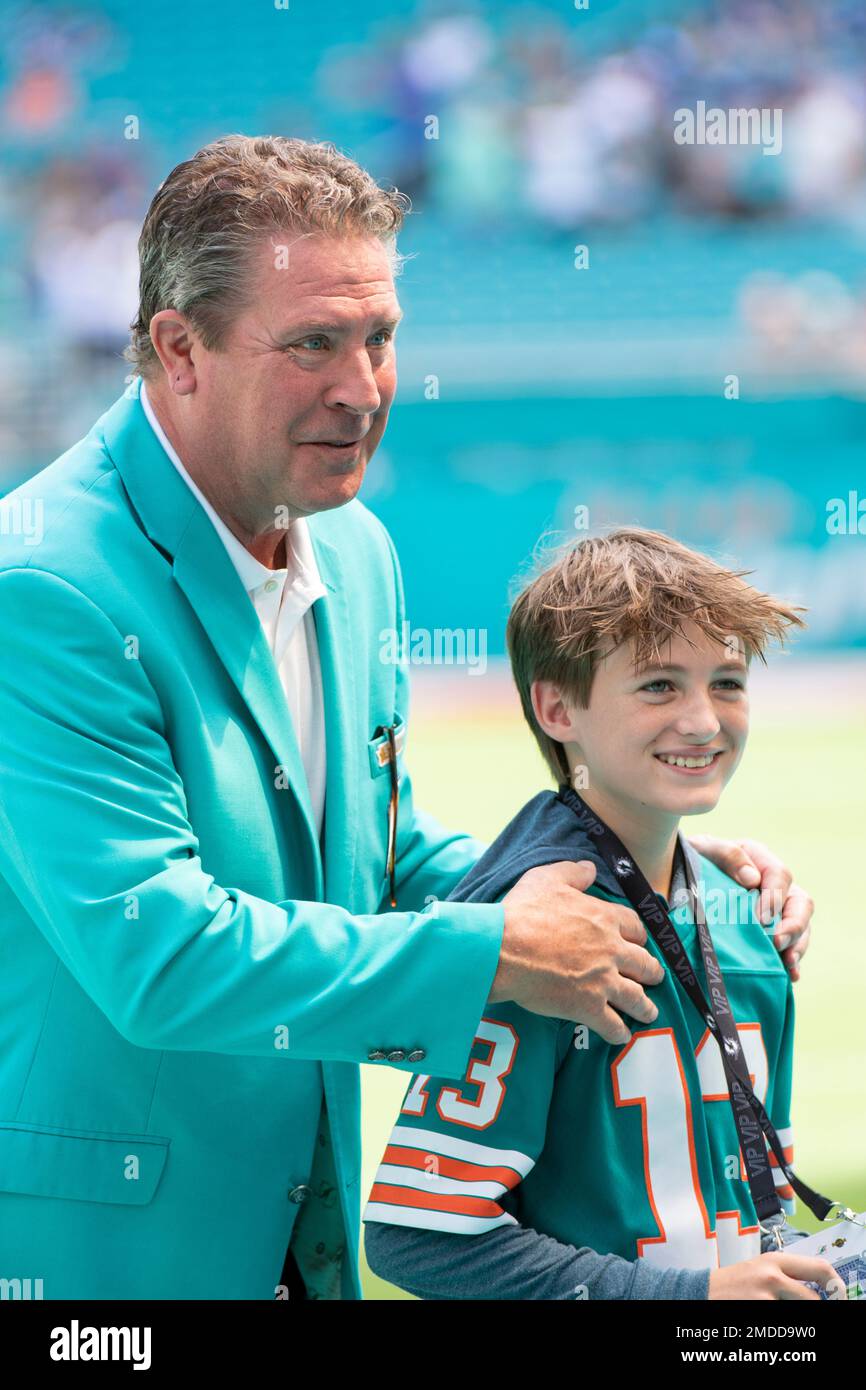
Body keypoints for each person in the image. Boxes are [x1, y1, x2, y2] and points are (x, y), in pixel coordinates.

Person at [0, 136, 813, 1301]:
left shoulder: (358, 551)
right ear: (178, 349)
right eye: (313, 345)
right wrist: (498, 949)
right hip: (106, 1269)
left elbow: (376, 859)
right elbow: (159, 957)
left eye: (379, 337)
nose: (362, 386)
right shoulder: (45, 588)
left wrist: (636, 884)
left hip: (302, 1234)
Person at [364, 528, 837, 1300]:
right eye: (658, 685)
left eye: (727, 681)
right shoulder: (536, 943)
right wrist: (689, 1298)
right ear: (557, 707)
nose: (703, 722)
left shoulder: (750, 919)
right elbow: (418, 1235)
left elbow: (756, 1199)